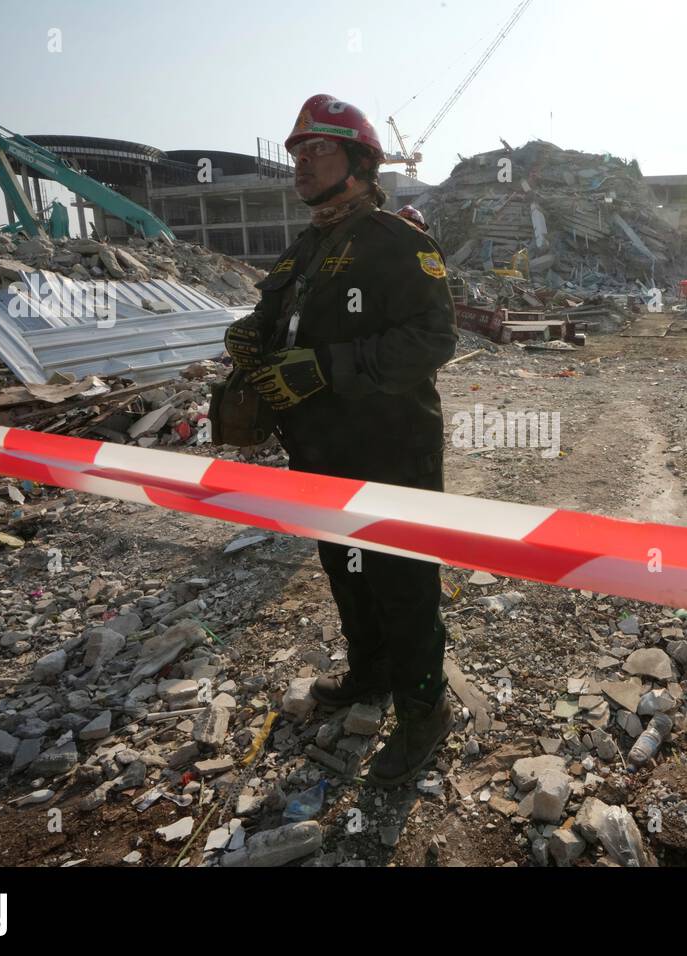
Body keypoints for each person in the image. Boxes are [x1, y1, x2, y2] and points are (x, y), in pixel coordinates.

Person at [223, 94, 458, 788]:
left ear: (359, 161)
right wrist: (251, 335)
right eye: (296, 152)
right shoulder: (307, 248)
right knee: (345, 569)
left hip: (393, 451)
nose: (299, 163)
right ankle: (370, 674)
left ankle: (423, 712)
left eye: (316, 149)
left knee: (404, 583)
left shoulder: (398, 242)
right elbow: (280, 320)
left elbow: (434, 338)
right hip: (321, 453)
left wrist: (330, 368)